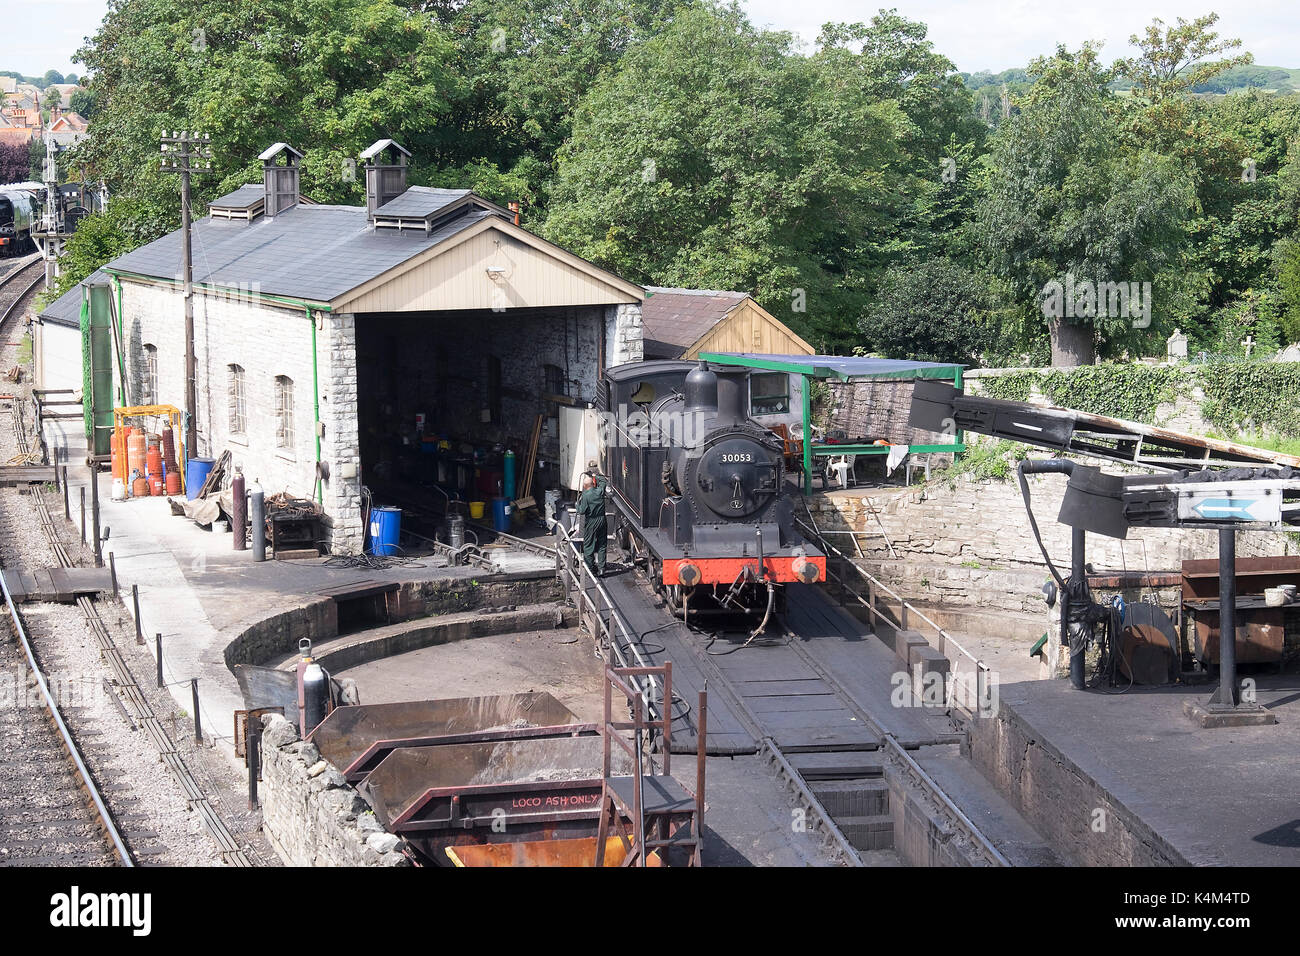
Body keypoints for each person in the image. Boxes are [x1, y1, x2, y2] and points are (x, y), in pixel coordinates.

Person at [576, 470, 608, 577]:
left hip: (592, 522)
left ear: (585, 486)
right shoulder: (599, 491)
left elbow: (582, 511)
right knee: (602, 544)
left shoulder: (585, 495)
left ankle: (590, 568)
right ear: (593, 484)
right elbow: (603, 481)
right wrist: (594, 475)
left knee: (589, 545)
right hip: (602, 520)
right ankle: (602, 569)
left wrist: (577, 504)